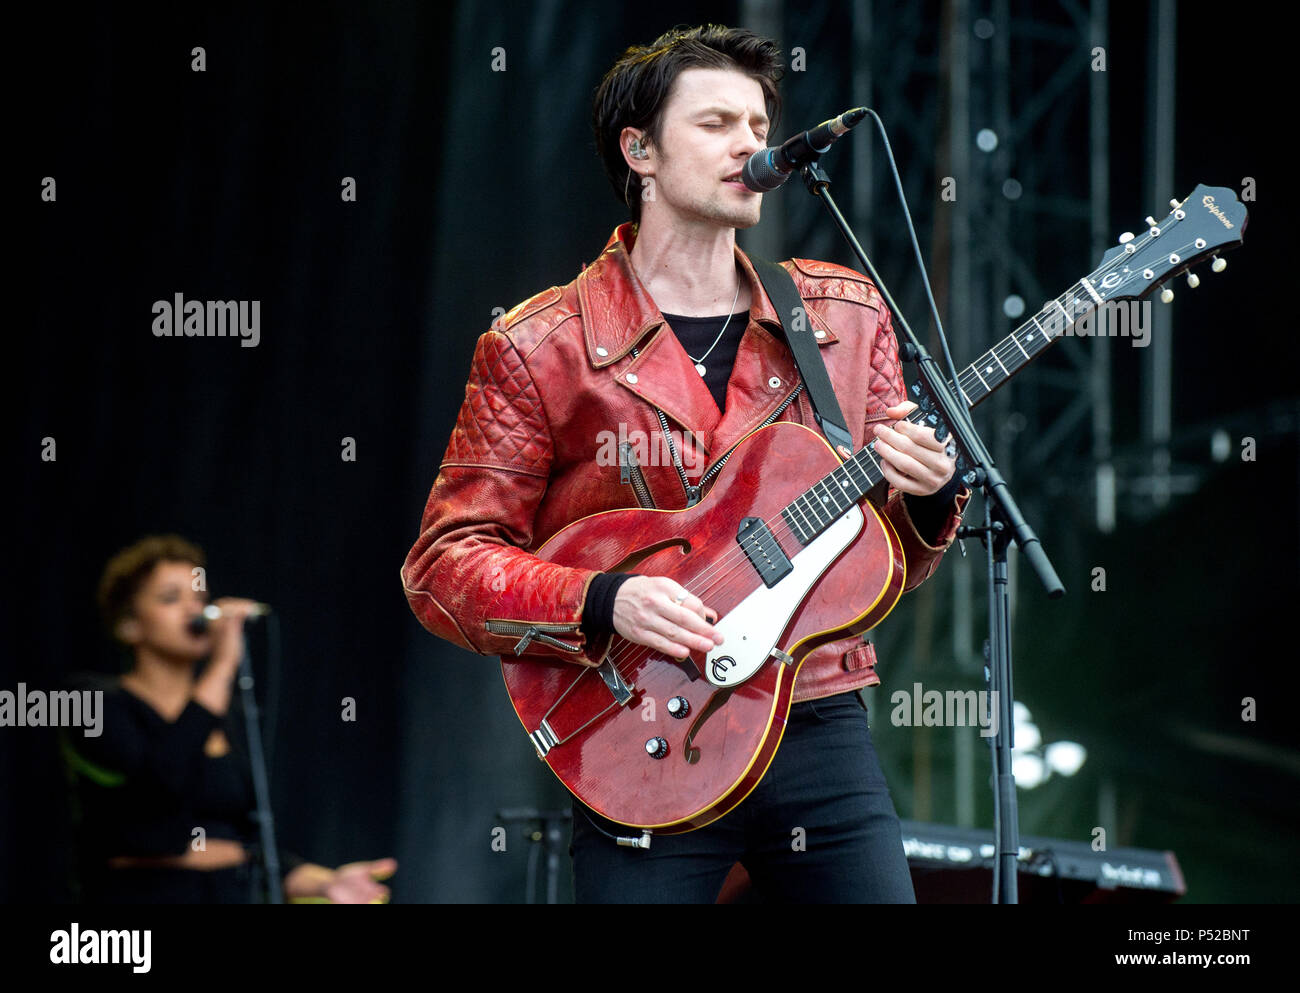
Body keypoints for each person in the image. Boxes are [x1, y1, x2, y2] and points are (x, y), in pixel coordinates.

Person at [401, 24, 970, 903]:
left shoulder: (845, 315)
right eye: (715, 123)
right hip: (639, 731)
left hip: (816, 712)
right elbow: (445, 566)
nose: (750, 142)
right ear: (641, 152)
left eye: (757, 121)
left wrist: (930, 498)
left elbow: (879, 555)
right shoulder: (538, 346)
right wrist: (603, 597)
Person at [64, 535, 396, 903]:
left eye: (199, 598)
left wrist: (324, 883)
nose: (194, 610)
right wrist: (223, 665)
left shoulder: (231, 716)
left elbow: (248, 842)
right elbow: (156, 795)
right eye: (171, 598)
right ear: (129, 625)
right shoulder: (94, 700)